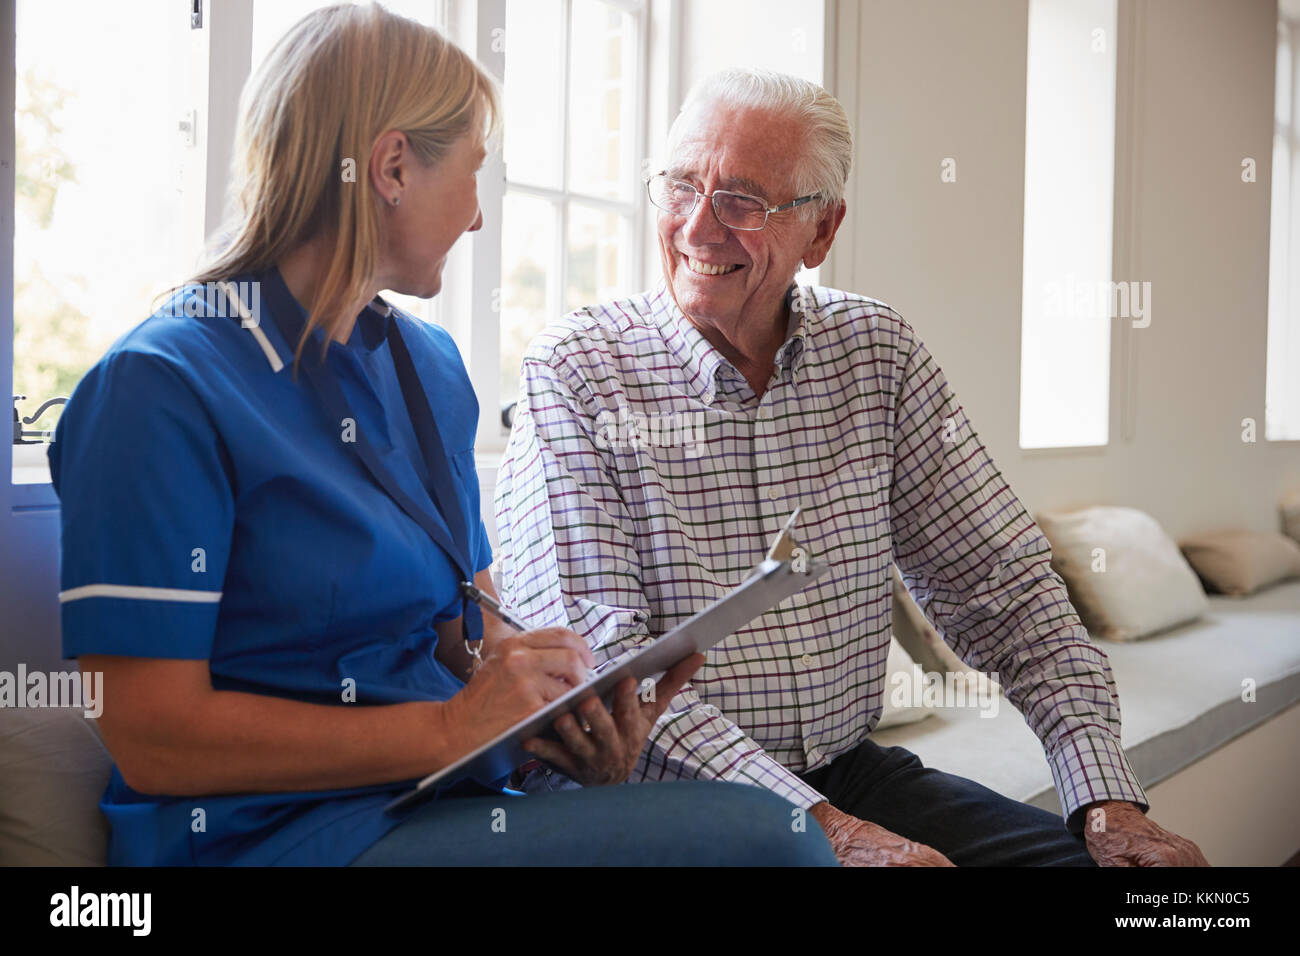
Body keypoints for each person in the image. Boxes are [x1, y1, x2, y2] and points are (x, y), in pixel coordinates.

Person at [48, 6, 836, 868]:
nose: (477, 221)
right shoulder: (161, 386)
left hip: (448, 806)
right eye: (474, 175)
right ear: (391, 168)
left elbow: (473, 641)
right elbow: (153, 738)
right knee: (778, 843)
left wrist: (568, 720)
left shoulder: (428, 368)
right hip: (272, 839)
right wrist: (449, 728)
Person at [493, 67, 1210, 867]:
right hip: (655, 797)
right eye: (681, 186)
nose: (697, 227)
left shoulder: (877, 354)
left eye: (743, 201)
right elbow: (608, 678)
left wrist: (1105, 800)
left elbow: (1004, 590)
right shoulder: (579, 371)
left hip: (844, 771)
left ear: (822, 232)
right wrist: (831, 834)